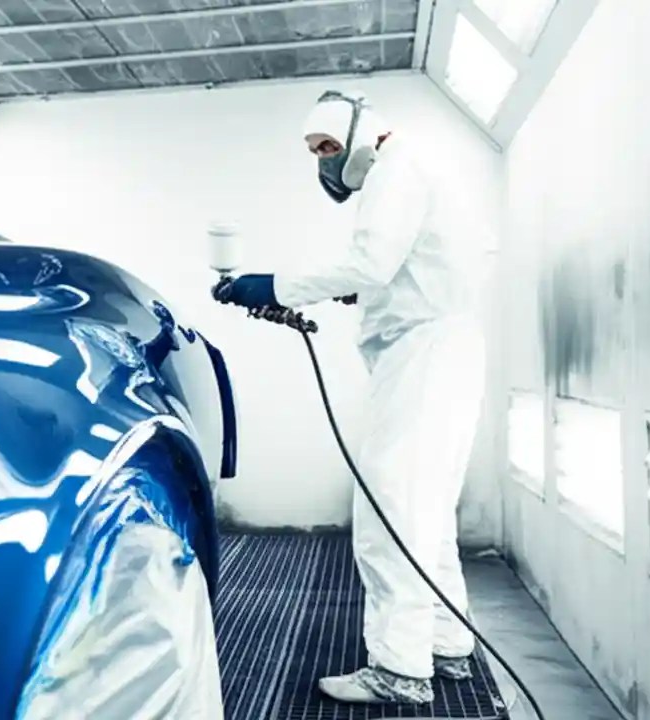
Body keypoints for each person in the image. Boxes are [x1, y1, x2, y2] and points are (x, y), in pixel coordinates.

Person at [212, 90, 488, 704]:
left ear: (362, 133)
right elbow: (408, 270)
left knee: (387, 513)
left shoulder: (395, 169)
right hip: (442, 353)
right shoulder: (420, 169)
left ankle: (398, 667)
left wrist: (276, 284)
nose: (325, 164)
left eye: (329, 147)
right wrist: (356, 296)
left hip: (423, 357)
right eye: (315, 153)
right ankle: (446, 645)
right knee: (427, 513)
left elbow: (370, 262)